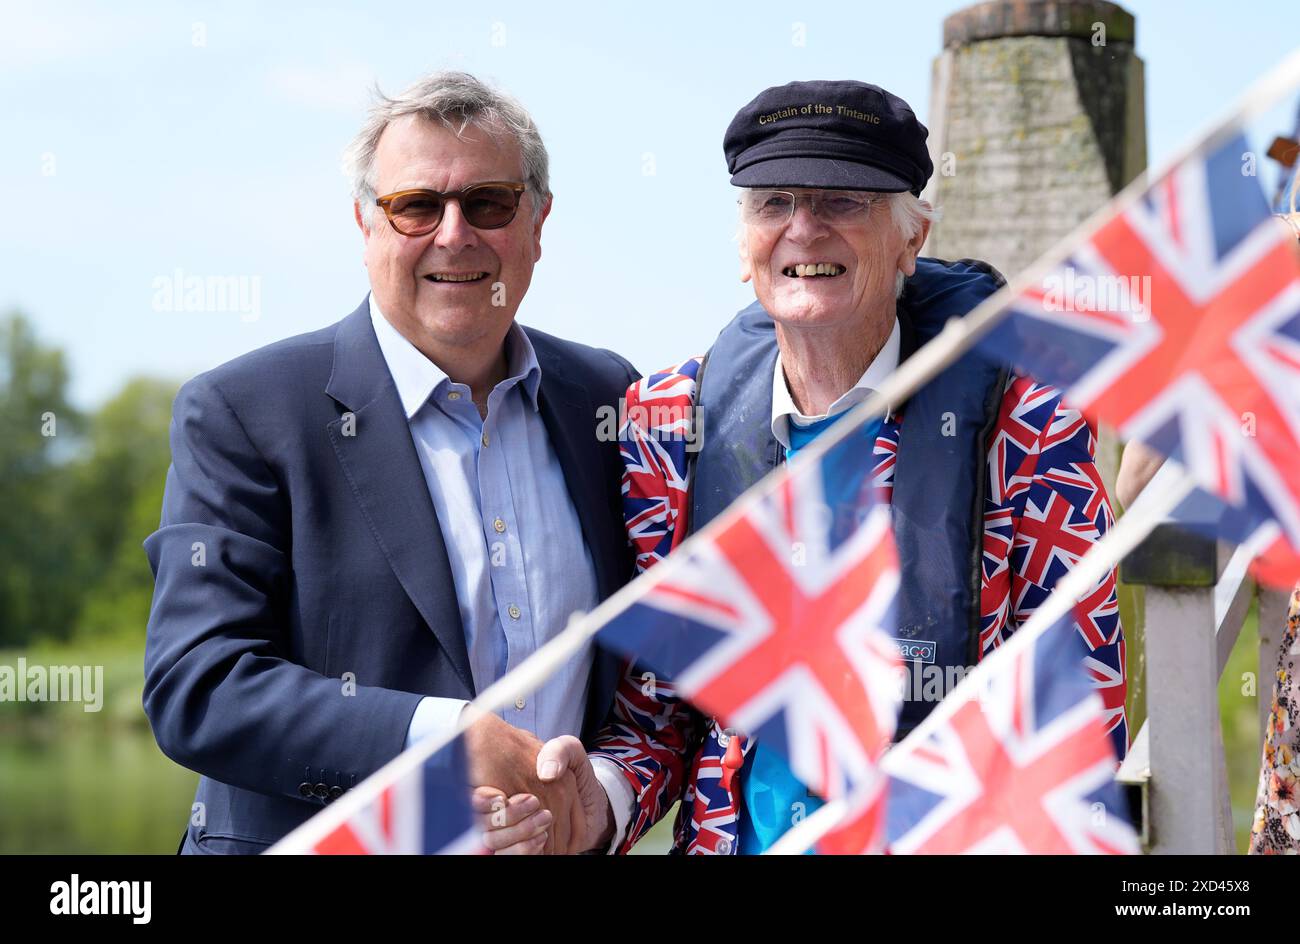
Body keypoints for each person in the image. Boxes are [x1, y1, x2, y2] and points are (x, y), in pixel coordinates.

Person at [482, 79, 1127, 855]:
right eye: (773, 203)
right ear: (743, 244)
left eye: (842, 201)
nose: (803, 229)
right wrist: (601, 805)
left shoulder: (1030, 425)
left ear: (912, 240)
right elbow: (661, 719)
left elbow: (1078, 716)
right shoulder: (665, 426)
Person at [142, 71, 635, 854]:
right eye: (416, 206)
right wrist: (441, 739)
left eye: (489, 203)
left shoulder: (609, 399)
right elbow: (198, 686)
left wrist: (602, 798)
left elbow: (651, 667)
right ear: (365, 222)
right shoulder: (244, 411)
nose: (454, 235)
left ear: (538, 222)